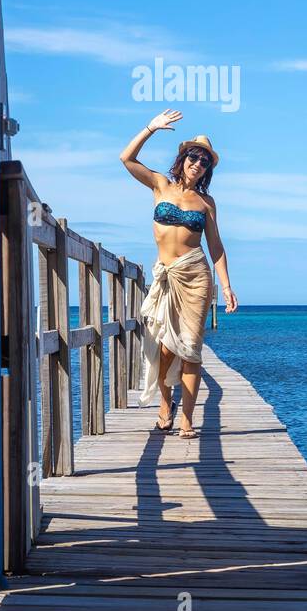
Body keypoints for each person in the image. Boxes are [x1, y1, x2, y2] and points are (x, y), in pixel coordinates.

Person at [119, 109, 237, 438]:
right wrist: (151, 128)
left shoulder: (207, 203)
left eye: (204, 162)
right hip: (167, 276)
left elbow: (216, 246)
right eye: (193, 157)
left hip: (197, 278)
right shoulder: (160, 185)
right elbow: (126, 159)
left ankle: (186, 420)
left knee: (191, 349)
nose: (197, 164)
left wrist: (226, 287)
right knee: (166, 348)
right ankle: (165, 406)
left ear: (208, 170)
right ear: (183, 157)